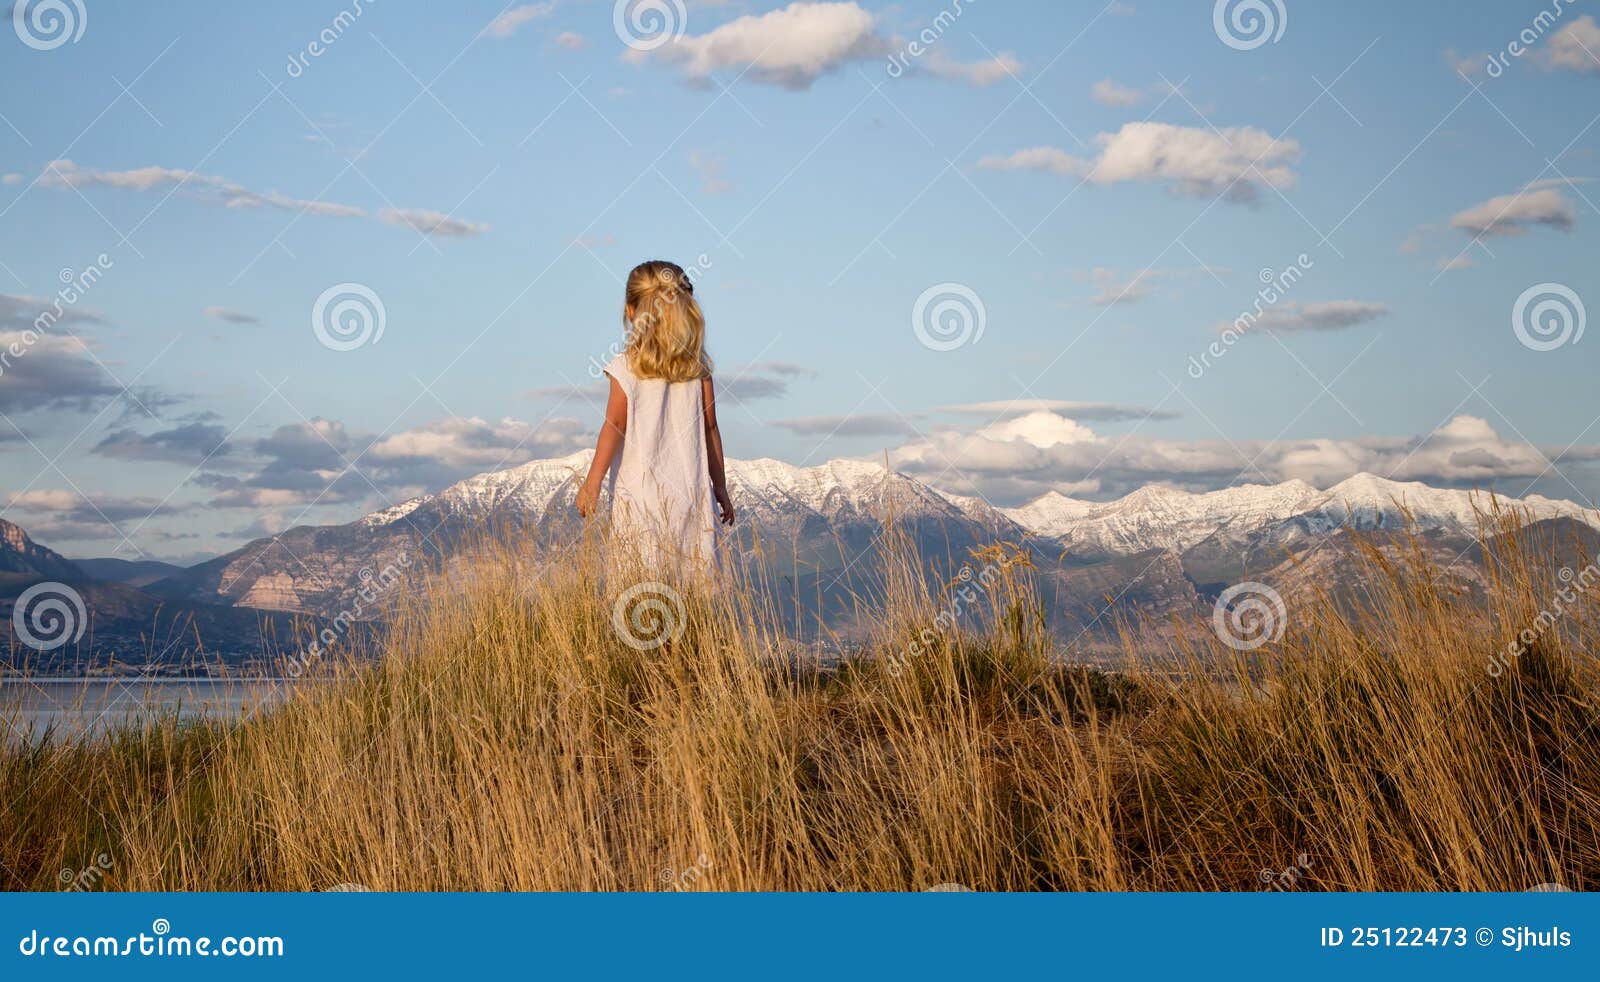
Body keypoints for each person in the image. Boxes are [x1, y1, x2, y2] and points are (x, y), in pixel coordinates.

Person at [575, 260, 735, 575]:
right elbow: (710, 429)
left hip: (639, 498)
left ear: (630, 311)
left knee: (639, 586)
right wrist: (720, 486)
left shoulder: (625, 367)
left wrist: (592, 482)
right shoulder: (697, 370)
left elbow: (614, 425)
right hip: (691, 495)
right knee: (693, 587)